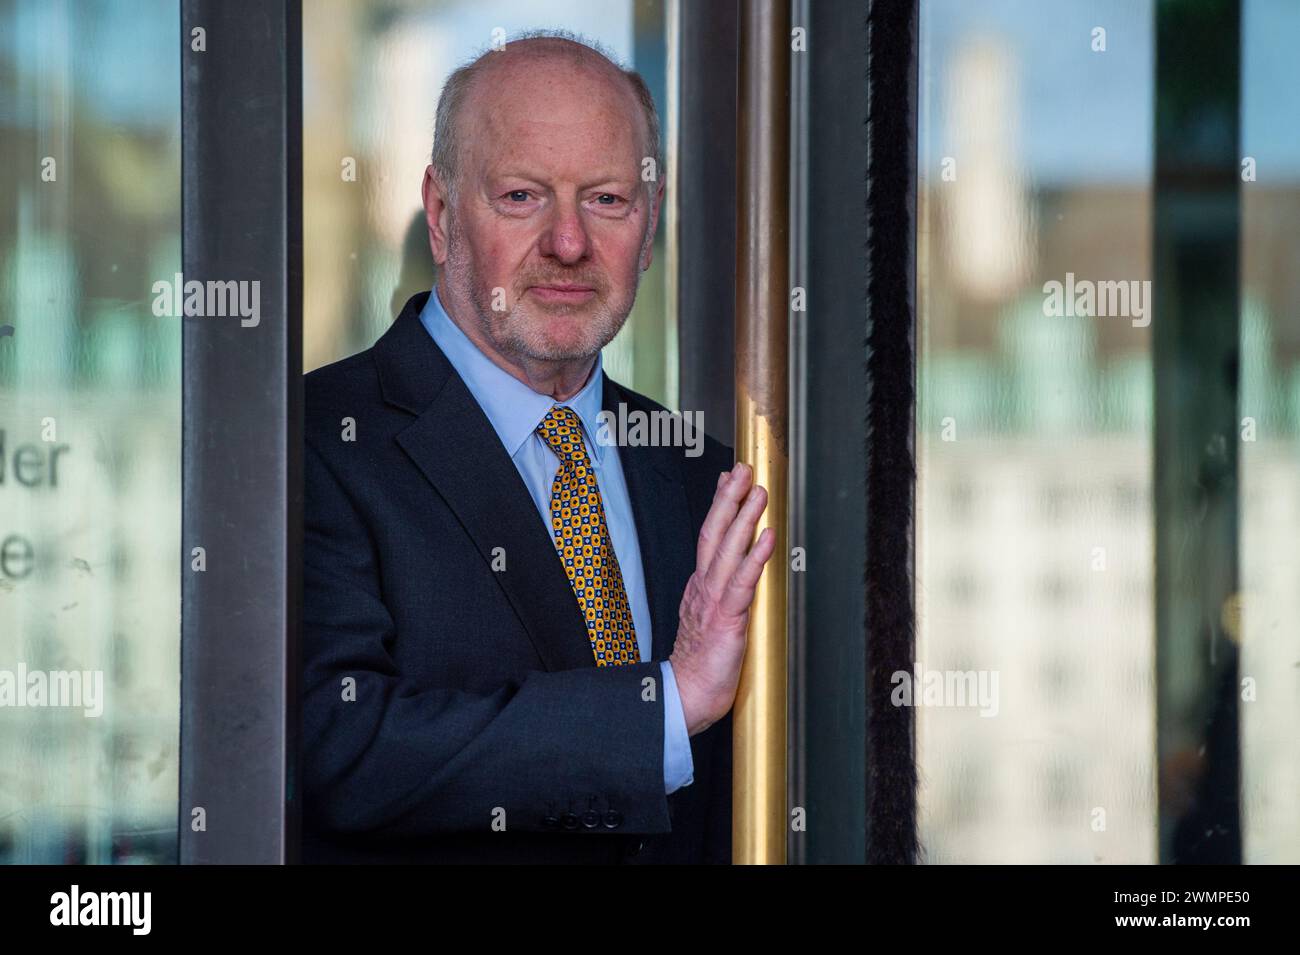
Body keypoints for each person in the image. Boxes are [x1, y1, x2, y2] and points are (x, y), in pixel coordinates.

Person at [301, 30, 774, 864]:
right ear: (443, 215)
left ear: (651, 223)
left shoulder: (703, 471)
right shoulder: (320, 441)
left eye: (607, 200)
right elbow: (344, 750)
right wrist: (663, 707)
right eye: (522, 196)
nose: (567, 243)